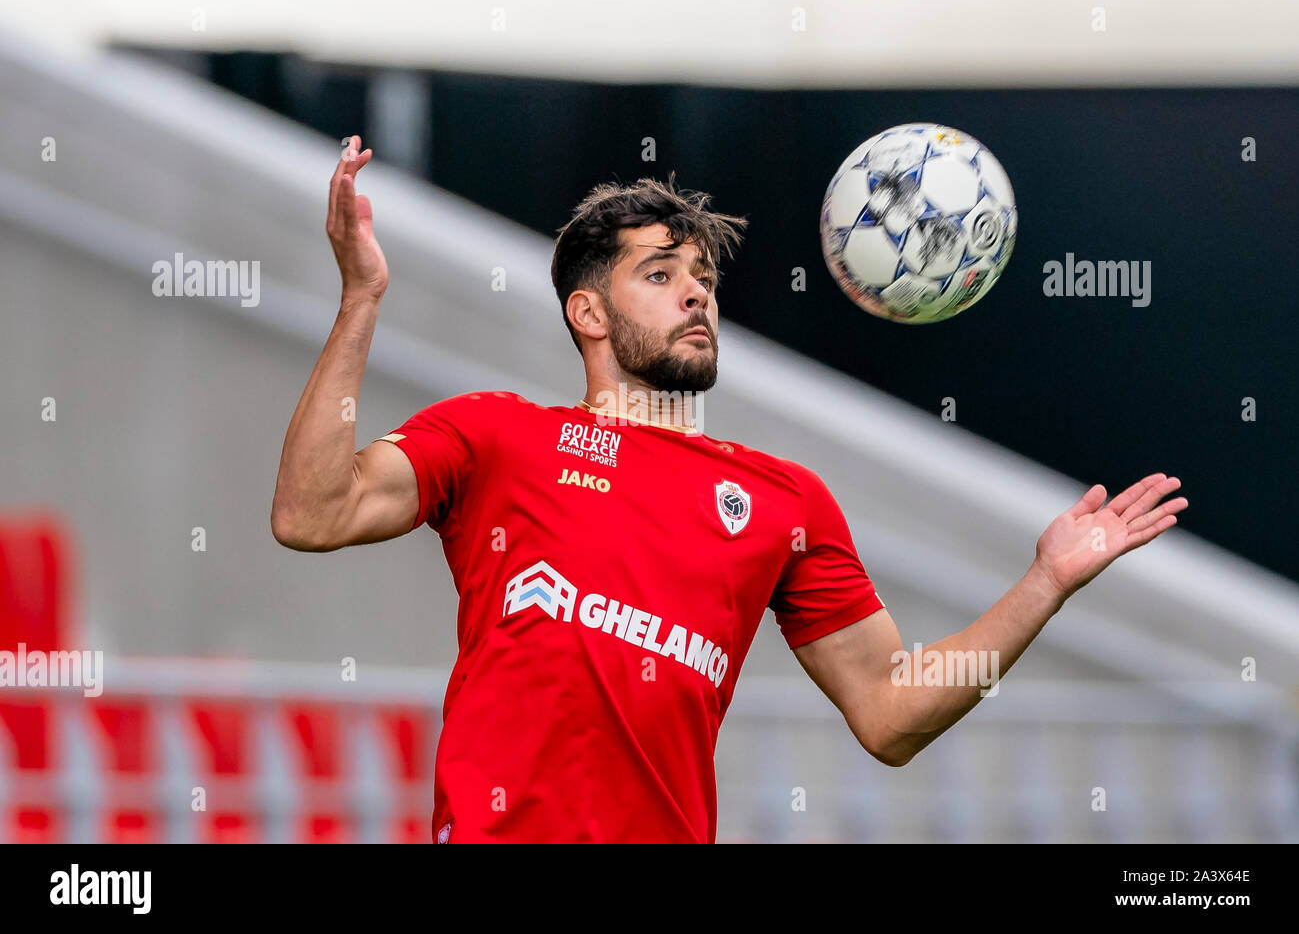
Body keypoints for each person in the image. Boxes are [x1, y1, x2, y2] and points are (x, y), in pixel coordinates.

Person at [270, 136, 1187, 843]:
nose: (696, 296)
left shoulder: (784, 502)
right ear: (587, 312)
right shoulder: (499, 435)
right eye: (660, 276)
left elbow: (892, 713)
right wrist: (360, 300)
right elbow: (311, 512)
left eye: (703, 279)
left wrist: (1047, 582)